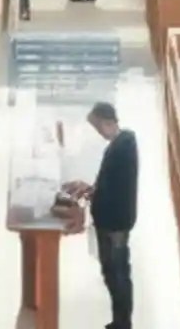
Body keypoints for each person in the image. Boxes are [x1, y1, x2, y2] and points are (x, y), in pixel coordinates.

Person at [64, 102, 138, 329]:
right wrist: (87, 188)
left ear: (108, 122)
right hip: (111, 218)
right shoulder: (121, 145)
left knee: (117, 273)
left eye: (97, 126)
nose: (97, 132)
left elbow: (112, 188)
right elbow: (109, 183)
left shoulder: (120, 148)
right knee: (112, 271)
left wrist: (90, 191)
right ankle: (119, 321)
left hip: (114, 221)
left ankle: (122, 323)